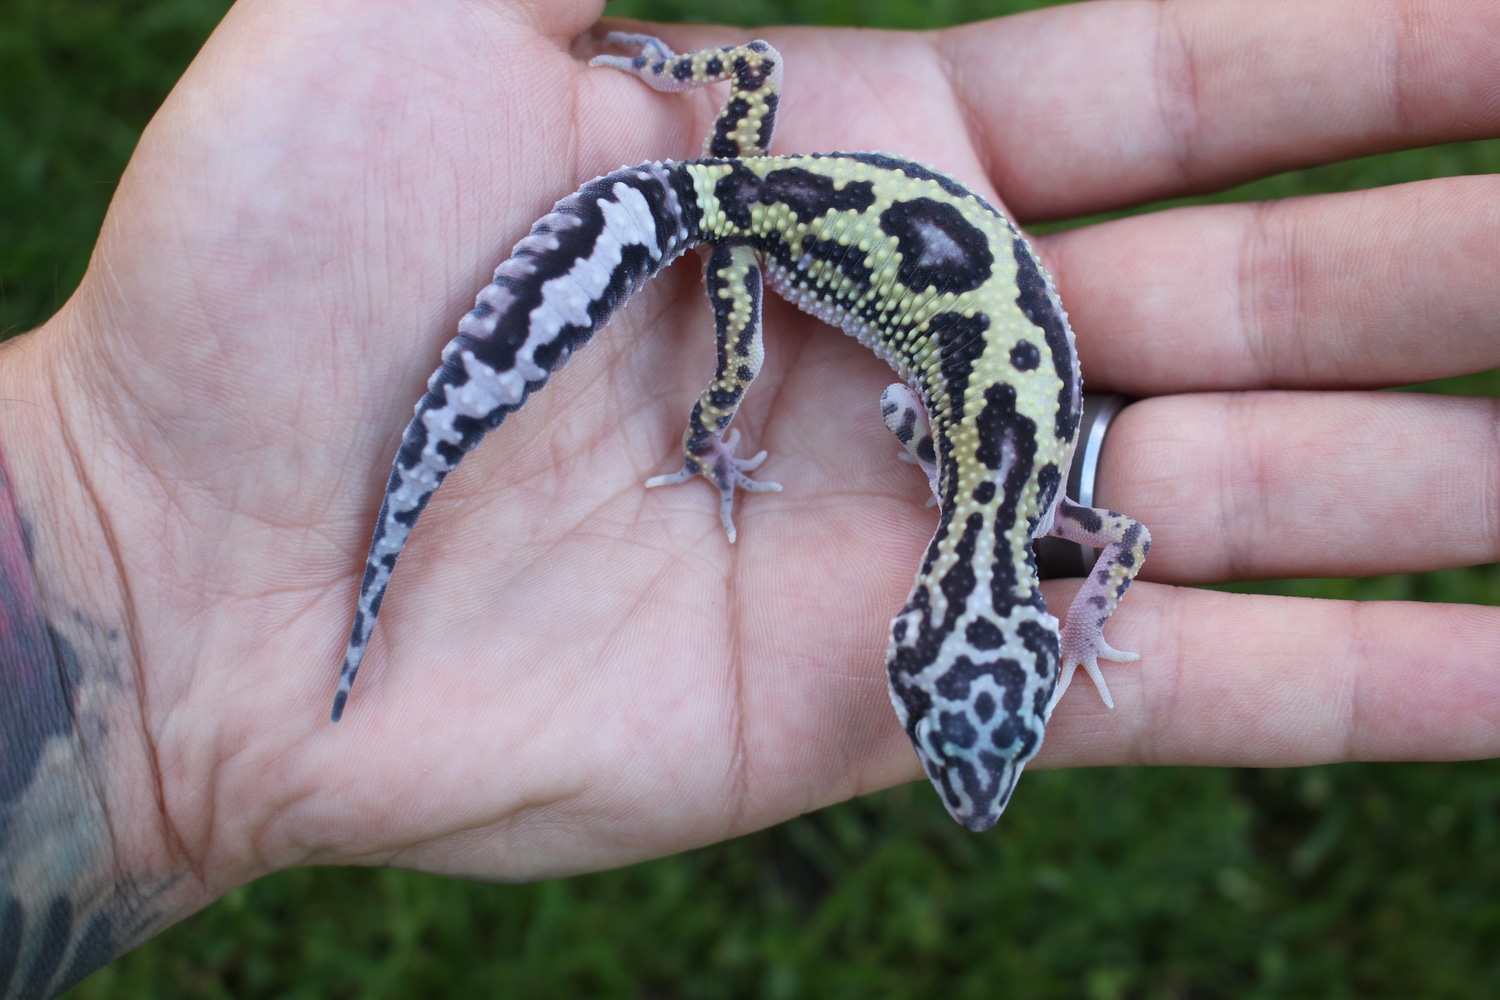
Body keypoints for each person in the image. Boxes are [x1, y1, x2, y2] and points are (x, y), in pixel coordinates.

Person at [3, 0, 1497, 993]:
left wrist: (984, 490)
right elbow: (1104, 518)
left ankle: (695, 111)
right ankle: (681, 427)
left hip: (790, 207)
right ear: (943, 630)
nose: (970, 783)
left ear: (944, 625)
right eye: (972, 722)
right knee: (718, 392)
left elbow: (1067, 498)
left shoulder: (1029, 498)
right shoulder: (1030, 494)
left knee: (752, 129)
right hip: (753, 233)